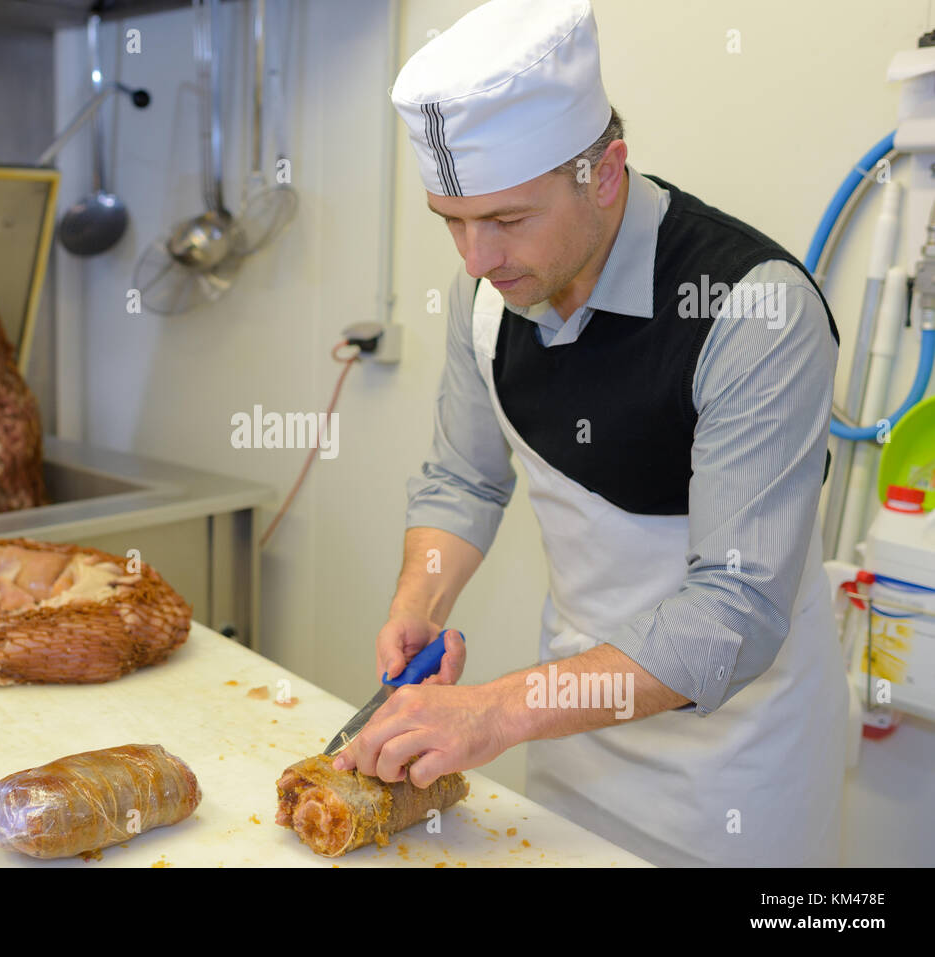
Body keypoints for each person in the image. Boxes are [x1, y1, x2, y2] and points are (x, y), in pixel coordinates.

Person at [332, 0, 849, 866]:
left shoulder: (755, 311)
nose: (474, 261)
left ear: (605, 172)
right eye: (450, 221)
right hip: (570, 726)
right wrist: (416, 604)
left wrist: (495, 711)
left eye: (505, 218)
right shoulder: (487, 299)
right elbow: (465, 480)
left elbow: (734, 612)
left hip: (738, 763)